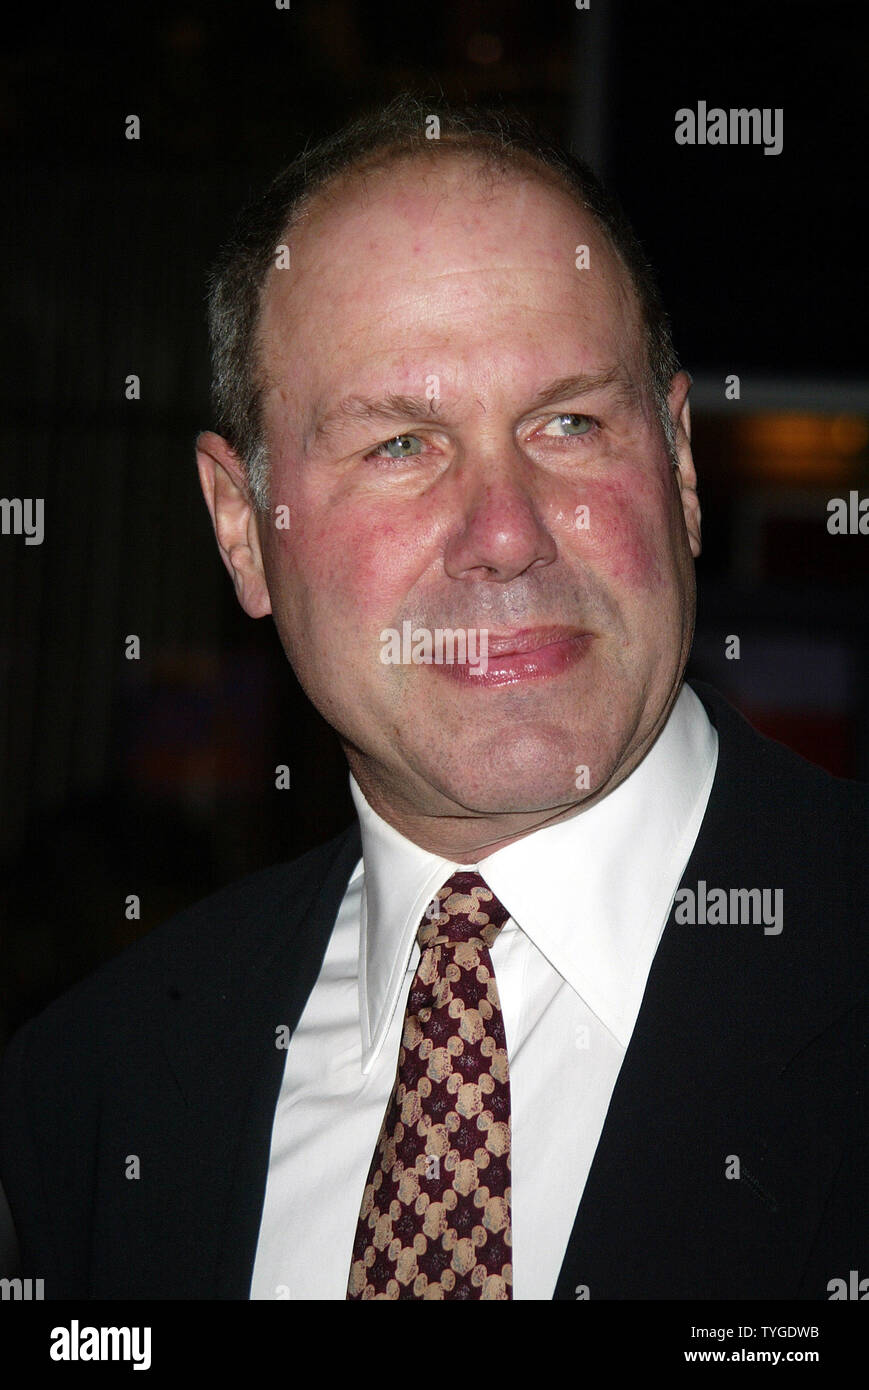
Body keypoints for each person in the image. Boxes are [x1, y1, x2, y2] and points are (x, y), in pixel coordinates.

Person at [1, 94, 865, 1301]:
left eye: (565, 421)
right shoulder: (94, 1093)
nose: (504, 535)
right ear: (243, 530)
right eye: (399, 446)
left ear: (674, 466)